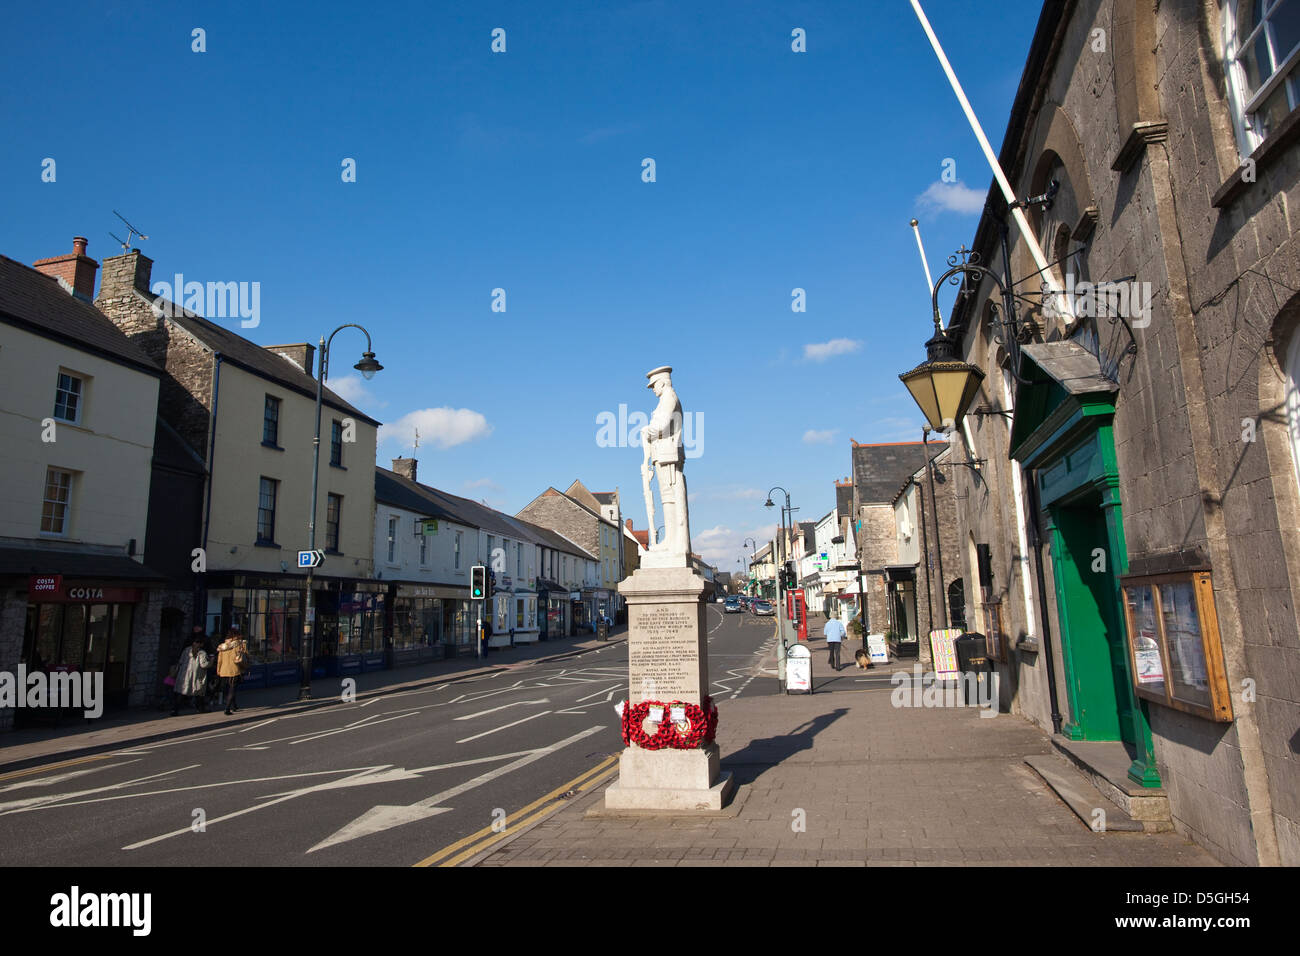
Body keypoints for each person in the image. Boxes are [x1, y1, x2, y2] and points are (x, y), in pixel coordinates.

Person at [171, 634, 211, 715]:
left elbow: (180, 661)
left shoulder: (187, 650)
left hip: (184, 674)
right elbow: (204, 665)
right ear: (201, 644)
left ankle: (175, 710)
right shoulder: (202, 653)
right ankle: (200, 708)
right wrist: (211, 661)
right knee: (198, 692)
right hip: (196, 675)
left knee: (181, 691)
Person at [216, 624, 248, 715]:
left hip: (223, 670)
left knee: (228, 689)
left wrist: (218, 670)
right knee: (232, 689)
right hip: (234, 670)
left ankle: (234, 706)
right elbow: (245, 656)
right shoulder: (240, 645)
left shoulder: (222, 646)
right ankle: (227, 709)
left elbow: (219, 660)